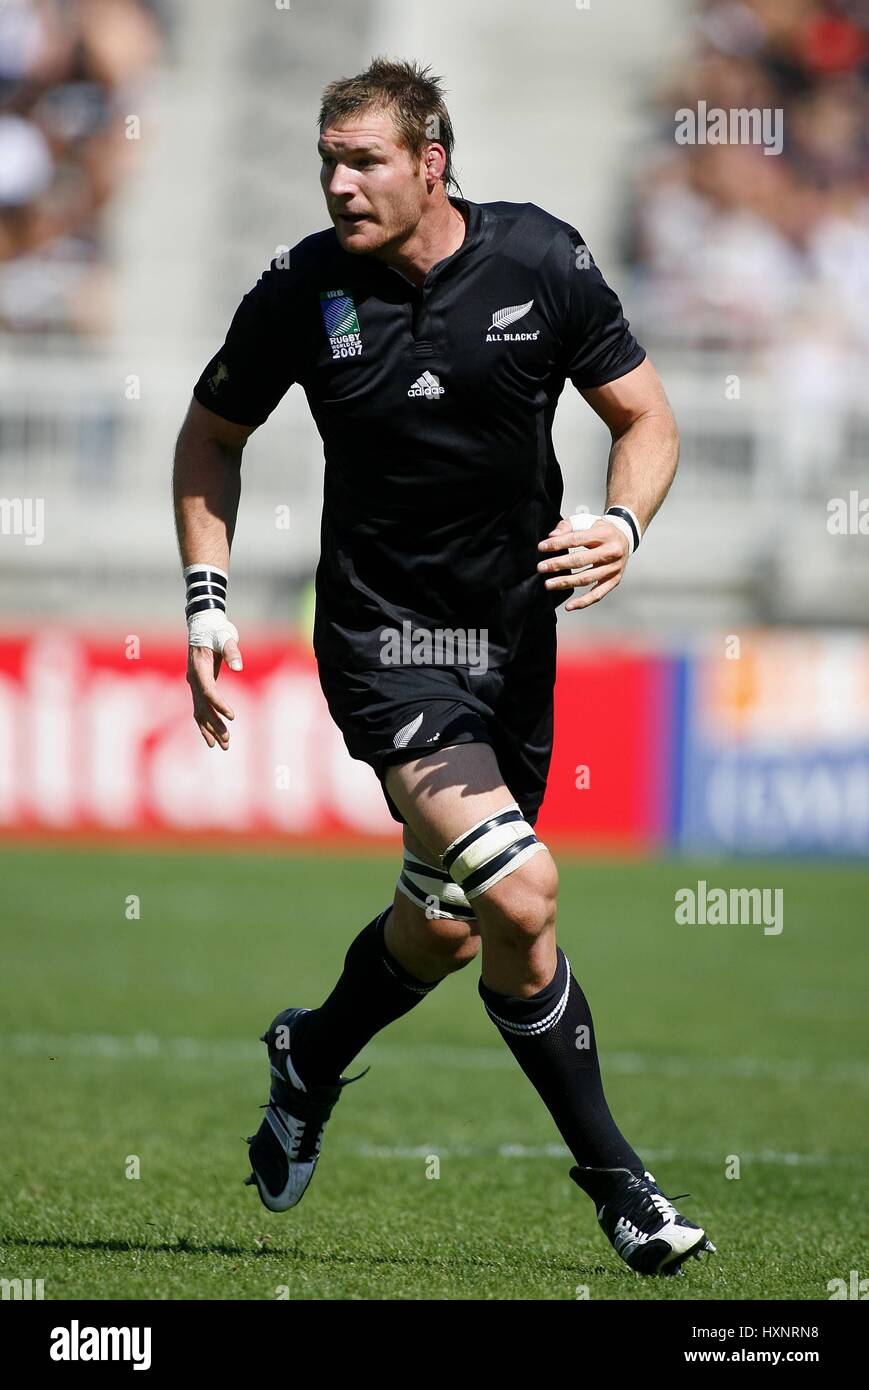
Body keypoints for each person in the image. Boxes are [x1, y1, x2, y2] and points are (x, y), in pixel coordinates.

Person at [173, 57, 714, 1277]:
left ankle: (308, 1055)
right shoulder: (304, 290)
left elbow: (646, 418)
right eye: (325, 160)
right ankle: (620, 1186)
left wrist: (622, 525)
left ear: (430, 163)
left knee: (452, 927)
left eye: (361, 160)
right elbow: (212, 433)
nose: (337, 184)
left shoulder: (539, 261)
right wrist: (206, 603)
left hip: (515, 644)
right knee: (521, 894)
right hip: (384, 641)